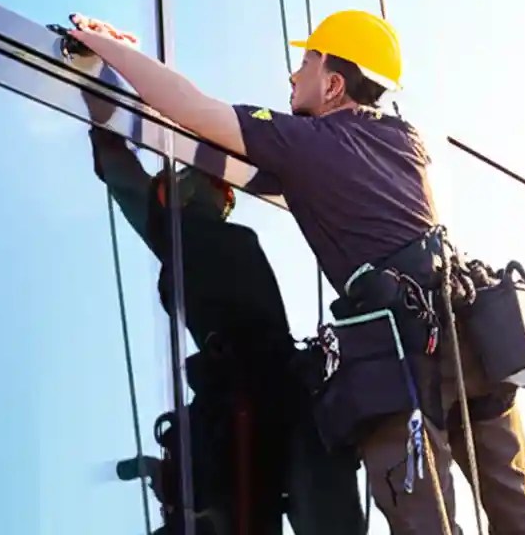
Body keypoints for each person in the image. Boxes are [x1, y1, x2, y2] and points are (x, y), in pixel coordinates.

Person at [68, 11, 525, 534]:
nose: (292, 76)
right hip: (469, 343)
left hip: (405, 358)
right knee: (518, 510)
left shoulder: (310, 144)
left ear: (333, 83)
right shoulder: (406, 141)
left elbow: (190, 109)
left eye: (306, 62)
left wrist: (103, 49)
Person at [88, 121, 366, 535]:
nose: (223, 198)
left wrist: (102, 121)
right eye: (218, 188)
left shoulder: (192, 237)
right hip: (258, 389)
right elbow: (125, 180)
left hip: (263, 388)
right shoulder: (185, 234)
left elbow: (125, 180)